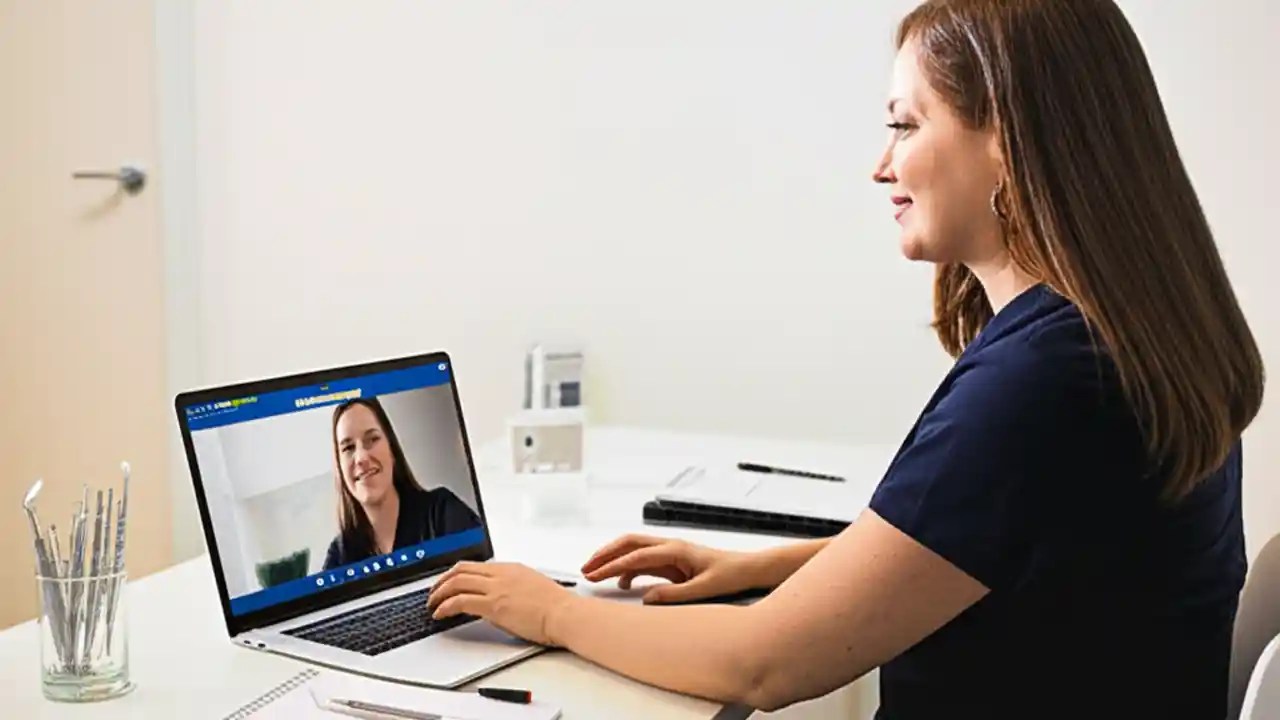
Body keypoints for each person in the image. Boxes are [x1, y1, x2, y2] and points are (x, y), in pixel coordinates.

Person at [426, 1, 1265, 717]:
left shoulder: (1048, 380)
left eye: (905, 124)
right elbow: (978, 555)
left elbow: (768, 663)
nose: (881, 165)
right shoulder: (1123, 337)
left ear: (1008, 140)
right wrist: (759, 566)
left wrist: (548, 610)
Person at [323, 397, 480, 570]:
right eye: (348, 448)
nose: (361, 458)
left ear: (392, 450)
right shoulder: (339, 556)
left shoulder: (441, 512)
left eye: (372, 439)